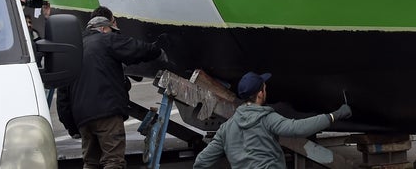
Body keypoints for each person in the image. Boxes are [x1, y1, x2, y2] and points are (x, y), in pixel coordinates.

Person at [57, 14, 163, 169]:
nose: (114, 34)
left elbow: (63, 96)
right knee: (113, 161)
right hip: (107, 113)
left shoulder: (73, 51)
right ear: (103, 29)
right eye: (112, 31)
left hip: (83, 119)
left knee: (91, 162)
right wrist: (157, 50)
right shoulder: (105, 39)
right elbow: (135, 48)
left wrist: (72, 126)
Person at [193, 72, 352, 169]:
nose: (266, 90)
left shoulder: (226, 128)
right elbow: (298, 128)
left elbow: (201, 161)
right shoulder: (266, 119)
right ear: (260, 94)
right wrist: (335, 115)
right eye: (264, 87)